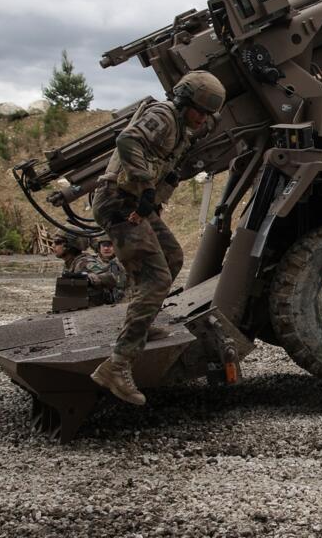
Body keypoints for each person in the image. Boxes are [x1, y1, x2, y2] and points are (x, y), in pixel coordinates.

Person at [89, 71, 226, 406]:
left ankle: (141, 321)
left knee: (172, 258)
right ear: (185, 102)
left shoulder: (183, 127)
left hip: (136, 203)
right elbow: (128, 140)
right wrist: (146, 185)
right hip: (119, 202)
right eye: (200, 110)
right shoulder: (164, 115)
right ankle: (118, 365)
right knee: (156, 278)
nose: (202, 118)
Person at [50, 231, 114, 303]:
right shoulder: (69, 263)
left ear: (68, 246)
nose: (53, 245)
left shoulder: (85, 262)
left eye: (57, 242)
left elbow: (109, 277)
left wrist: (89, 278)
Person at [94, 236, 127, 304]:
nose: (106, 248)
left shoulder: (123, 260)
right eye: (104, 245)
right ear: (99, 248)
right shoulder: (92, 261)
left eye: (109, 245)